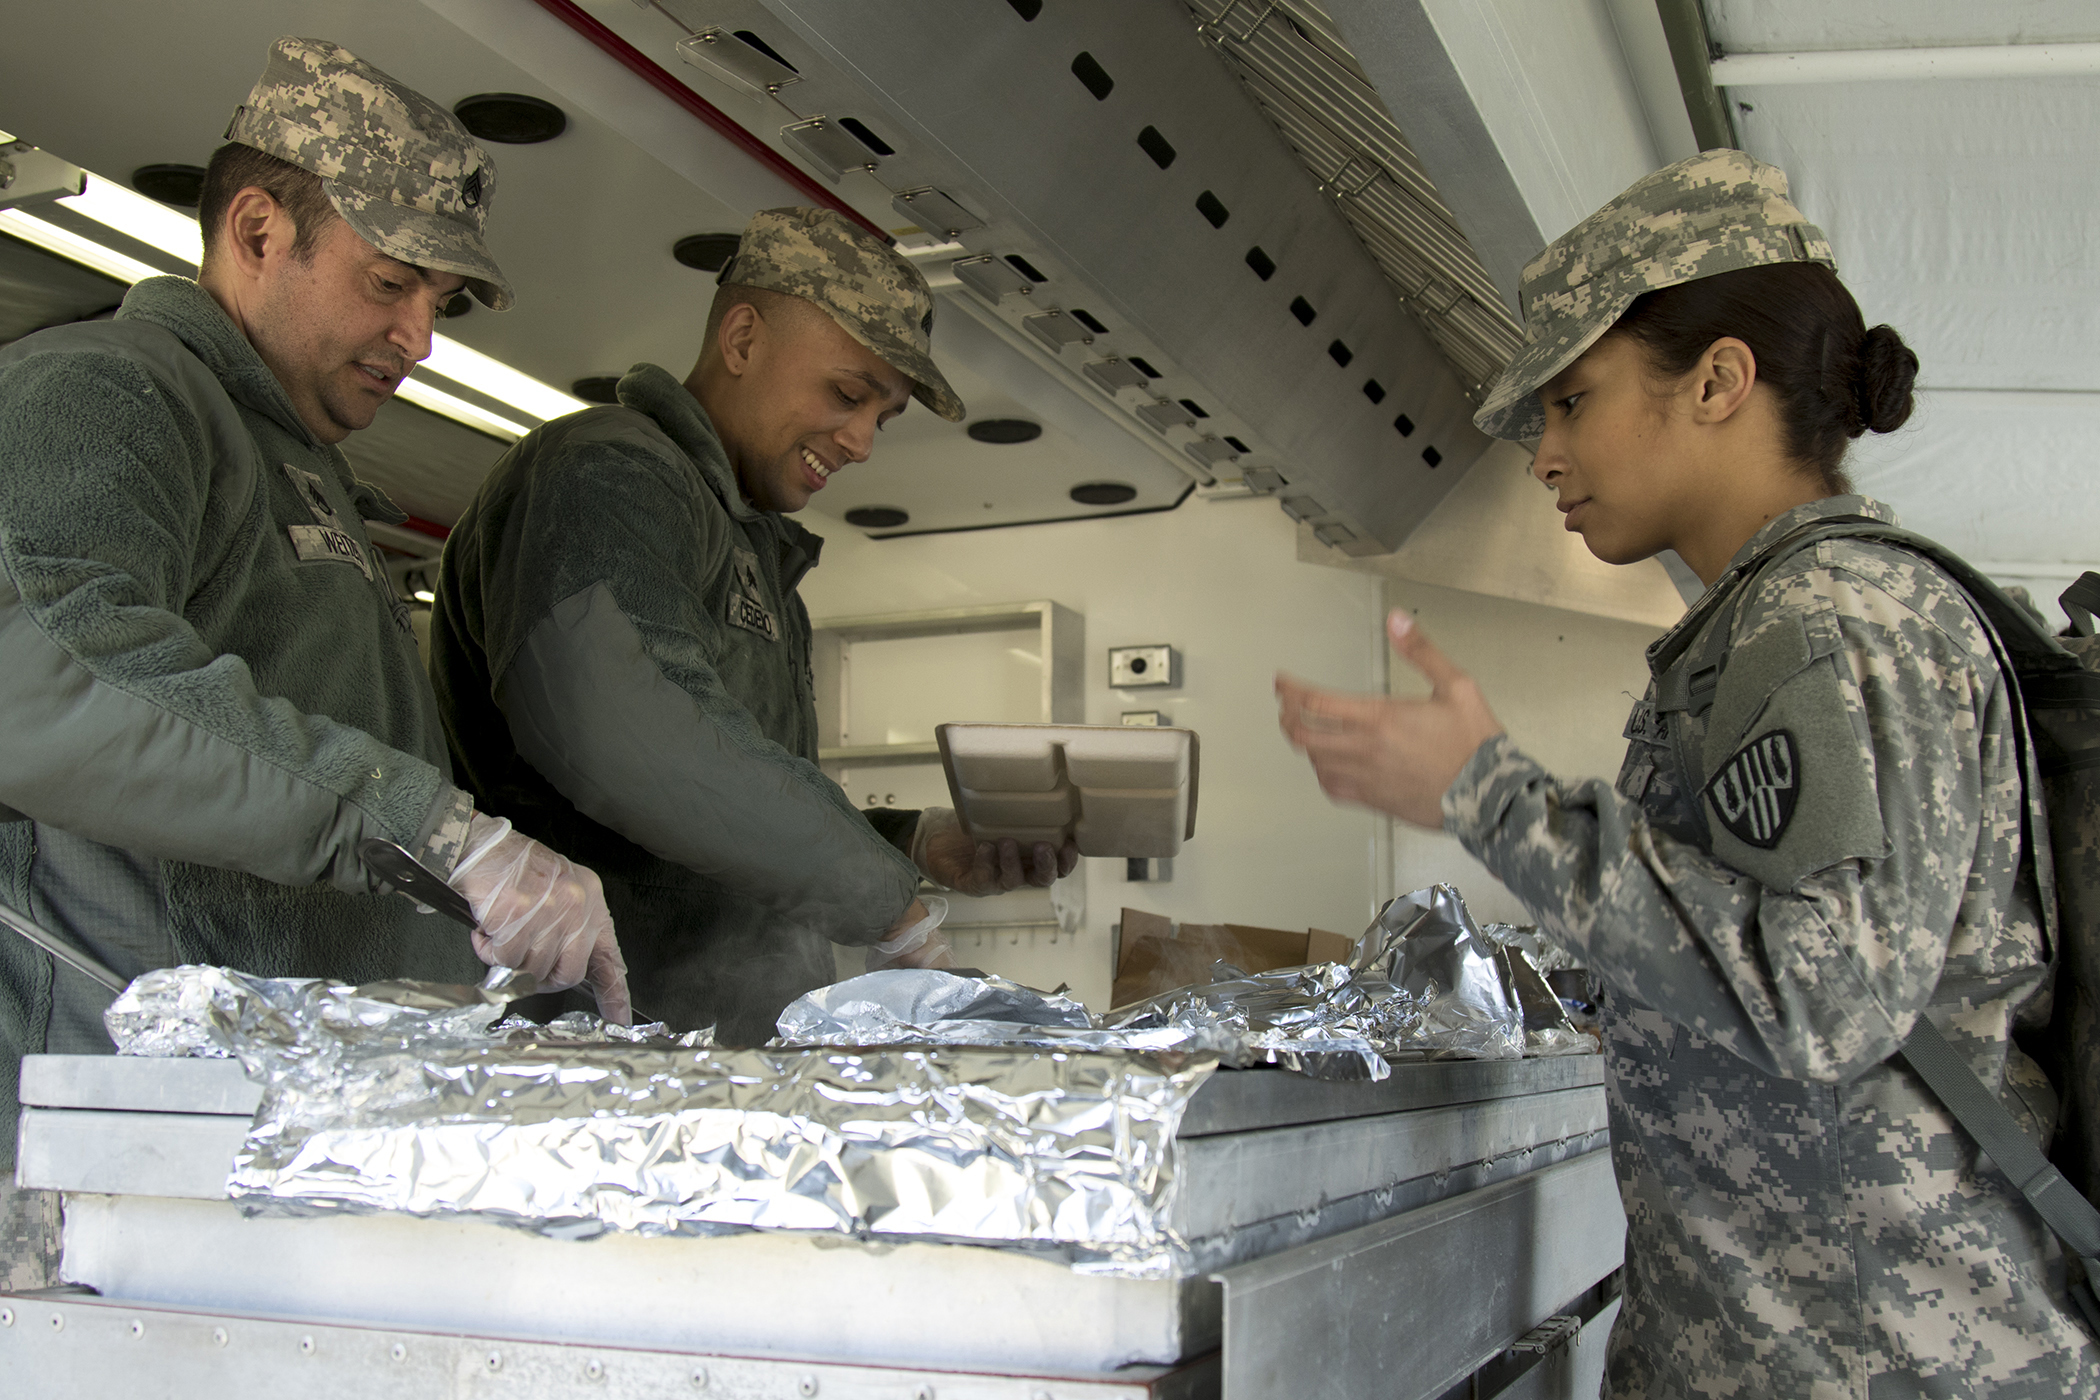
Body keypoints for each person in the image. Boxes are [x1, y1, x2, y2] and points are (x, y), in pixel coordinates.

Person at [1277, 150, 2099, 1396]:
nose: (1546, 454)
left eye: (1573, 400)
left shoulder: (1829, 617)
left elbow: (1824, 994)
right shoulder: (1780, 619)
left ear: (1717, 380)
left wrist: (1492, 796)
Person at [0, 37, 628, 1288]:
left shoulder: (304, 469)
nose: (420, 336)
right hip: (111, 1172)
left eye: (438, 302)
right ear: (257, 230)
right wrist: (436, 832)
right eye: (390, 282)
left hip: (270, 1150)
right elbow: (49, 676)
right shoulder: (107, 391)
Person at [429, 206, 1076, 1044]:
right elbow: (631, 731)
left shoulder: (754, 550)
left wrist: (909, 843)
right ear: (741, 340)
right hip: (602, 1049)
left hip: (722, 1052)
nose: (861, 442)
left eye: (882, 418)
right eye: (848, 394)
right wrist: (882, 899)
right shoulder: (608, 472)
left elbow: (740, 793)